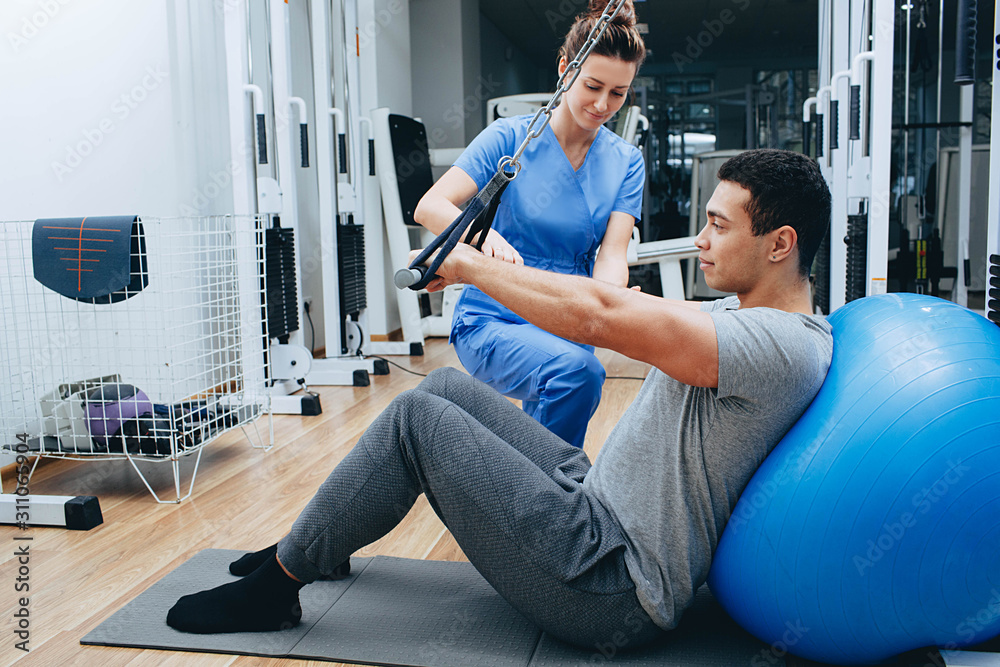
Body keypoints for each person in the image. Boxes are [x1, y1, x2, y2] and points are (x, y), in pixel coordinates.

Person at [167, 149, 834, 654]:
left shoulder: (776, 345)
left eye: (719, 226)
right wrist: (506, 270)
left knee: (417, 419)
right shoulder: (748, 318)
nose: (701, 239)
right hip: (595, 500)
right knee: (448, 387)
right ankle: (317, 540)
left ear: (780, 243)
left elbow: (603, 318)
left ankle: (278, 585)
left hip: (609, 579)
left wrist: (467, 265)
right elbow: (620, 303)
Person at [412, 0, 647, 448]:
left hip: (569, 312)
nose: (602, 104)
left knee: (565, 390)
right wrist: (484, 236)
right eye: (593, 86)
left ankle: (531, 499)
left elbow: (613, 253)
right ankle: (550, 501)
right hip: (495, 312)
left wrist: (612, 299)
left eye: (617, 94)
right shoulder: (509, 139)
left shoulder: (626, 161)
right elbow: (430, 206)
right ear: (565, 69)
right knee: (576, 373)